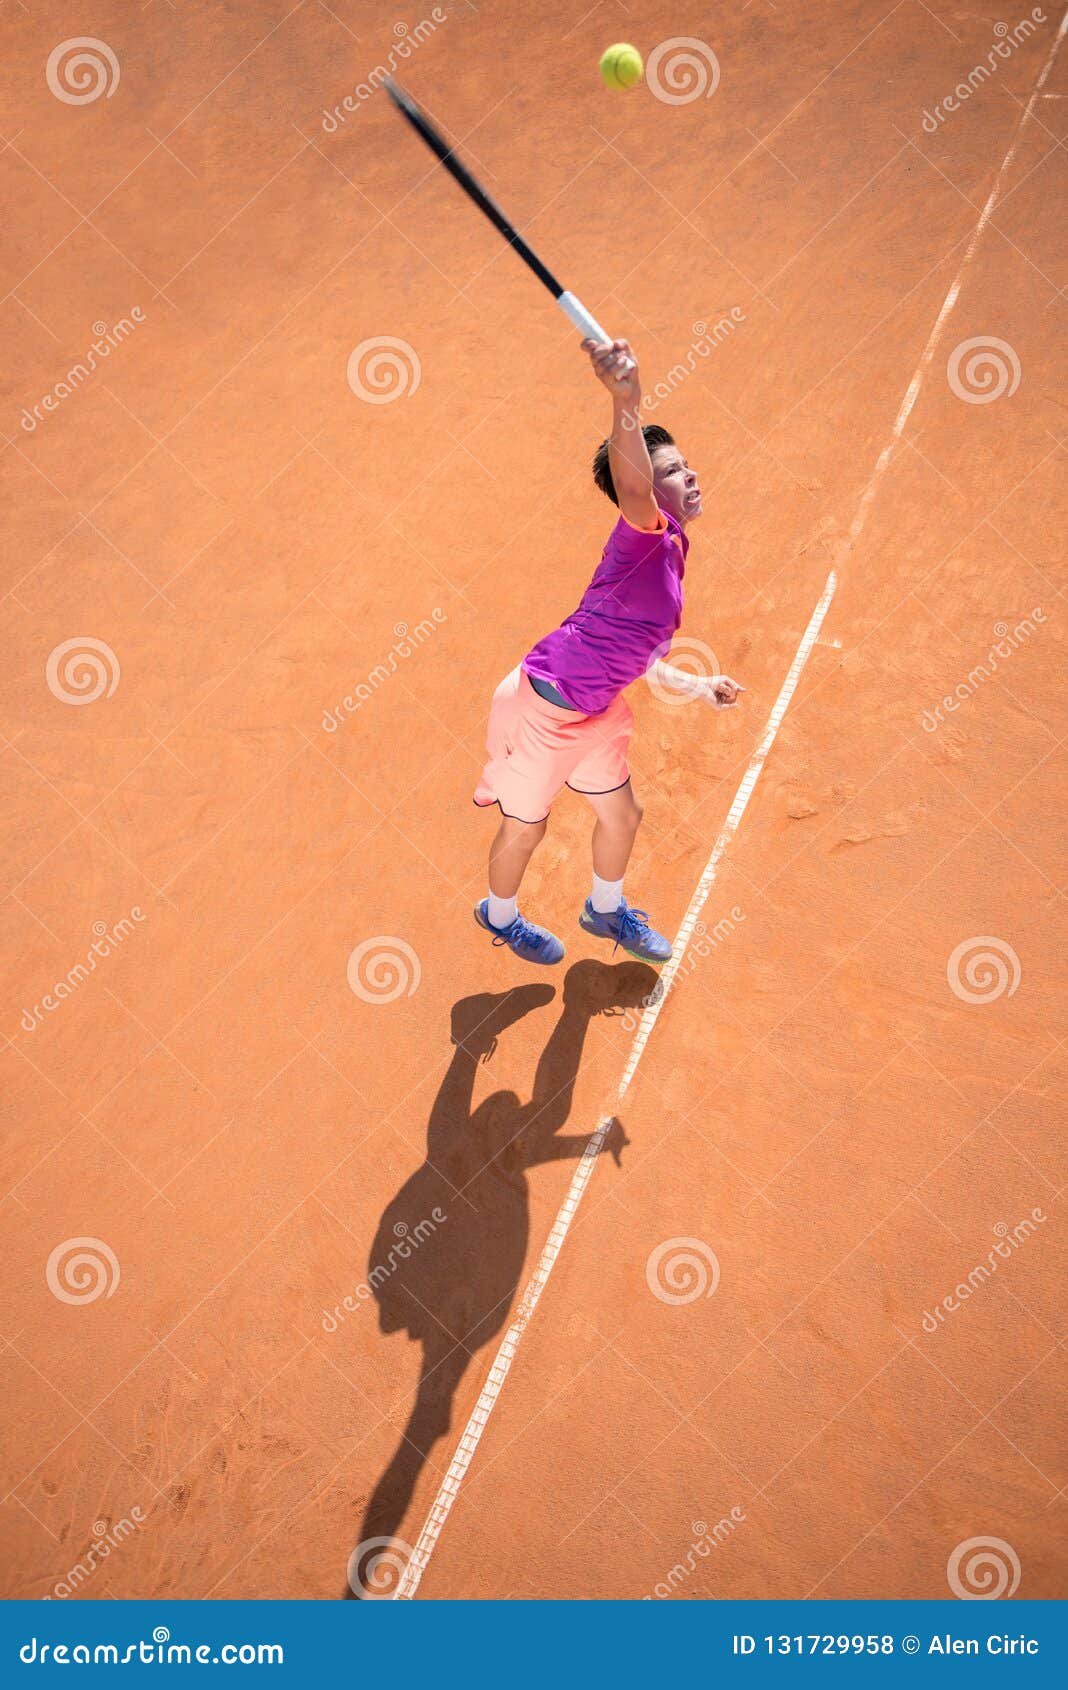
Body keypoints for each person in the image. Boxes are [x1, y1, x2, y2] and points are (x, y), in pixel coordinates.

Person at [473, 337, 744, 966]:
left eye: (685, 464)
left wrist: (701, 686)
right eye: (673, 470)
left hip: (595, 710)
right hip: (540, 711)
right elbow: (631, 483)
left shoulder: (672, 549)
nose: (691, 475)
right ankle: (500, 913)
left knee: (622, 816)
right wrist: (627, 398)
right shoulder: (643, 534)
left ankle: (604, 909)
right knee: (525, 828)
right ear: (647, 487)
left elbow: (641, 656)